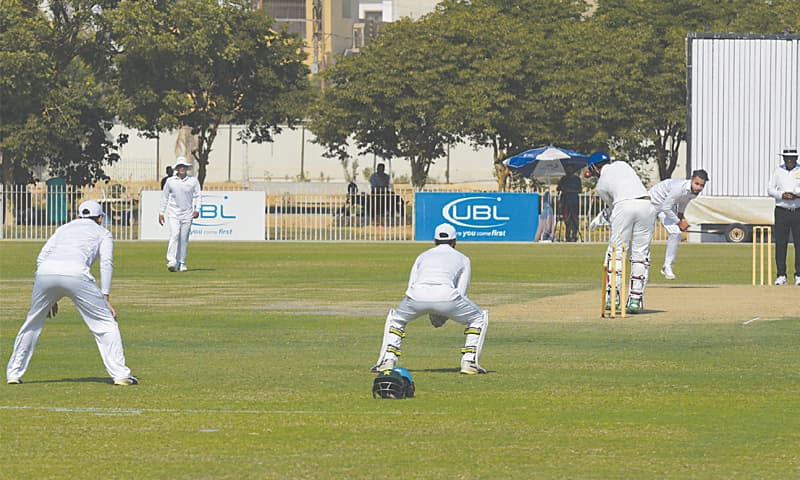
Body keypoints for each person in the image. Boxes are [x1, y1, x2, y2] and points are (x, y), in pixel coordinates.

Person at [6, 200, 137, 386]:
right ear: (100, 218)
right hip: (77, 273)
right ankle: (121, 374)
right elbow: (106, 263)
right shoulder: (103, 232)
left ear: (78, 216)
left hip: (45, 272)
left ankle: (13, 373)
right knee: (105, 323)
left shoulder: (63, 228)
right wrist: (105, 297)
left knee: (32, 323)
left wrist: (50, 295)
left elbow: (41, 257)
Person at [370, 223, 489, 375]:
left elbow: (411, 284)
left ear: (434, 240)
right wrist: (442, 313)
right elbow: (461, 292)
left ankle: (387, 361)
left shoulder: (422, 256)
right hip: (447, 296)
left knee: (396, 319)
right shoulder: (463, 258)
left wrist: (427, 307)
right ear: (455, 241)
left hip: (416, 295)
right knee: (479, 317)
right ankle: (469, 362)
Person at [587, 151, 656, 314]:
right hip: (647, 205)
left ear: (594, 168)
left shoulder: (600, 186)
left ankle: (613, 297)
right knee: (640, 254)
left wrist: (601, 218)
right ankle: (635, 299)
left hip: (623, 206)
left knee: (616, 252)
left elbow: (613, 209)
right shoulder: (623, 164)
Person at [649, 170, 709, 279]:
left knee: (676, 233)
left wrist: (681, 217)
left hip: (666, 205)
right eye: (697, 184)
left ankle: (667, 266)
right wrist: (679, 222)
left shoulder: (694, 193)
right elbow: (666, 207)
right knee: (646, 234)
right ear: (691, 180)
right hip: (653, 201)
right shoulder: (679, 188)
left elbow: (683, 203)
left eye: (702, 185)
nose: (699, 187)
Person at [159, 156, 201, 272]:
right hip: (173, 212)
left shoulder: (193, 181)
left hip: (187, 213)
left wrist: (197, 209)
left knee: (183, 238)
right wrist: (161, 212)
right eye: (179, 166)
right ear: (176, 168)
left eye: (184, 166)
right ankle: (172, 260)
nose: (182, 168)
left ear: (186, 168)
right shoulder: (170, 181)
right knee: (175, 234)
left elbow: (198, 195)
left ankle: (181, 262)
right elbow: (165, 197)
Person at [767, 145, 800, 285]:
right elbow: (770, 189)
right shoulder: (778, 171)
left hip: (798, 210)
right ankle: (781, 275)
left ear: (796, 158)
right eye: (787, 158)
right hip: (781, 210)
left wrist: (796, 194)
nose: (790, 161)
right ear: (784, 158)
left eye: (792, 158)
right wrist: (782, 195)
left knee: (799, 244)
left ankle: (799, 275)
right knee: (781, 243)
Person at [557, 166, 582, 242]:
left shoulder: (577, 179)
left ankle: (574, 235)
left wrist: (570, 190)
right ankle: (567, 236)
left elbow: (579, 190)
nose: (569, 170)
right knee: (566, 219)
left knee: (574, 219)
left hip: (574, 201)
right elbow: (558, 188)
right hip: (565, 201)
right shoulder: (564, 179)